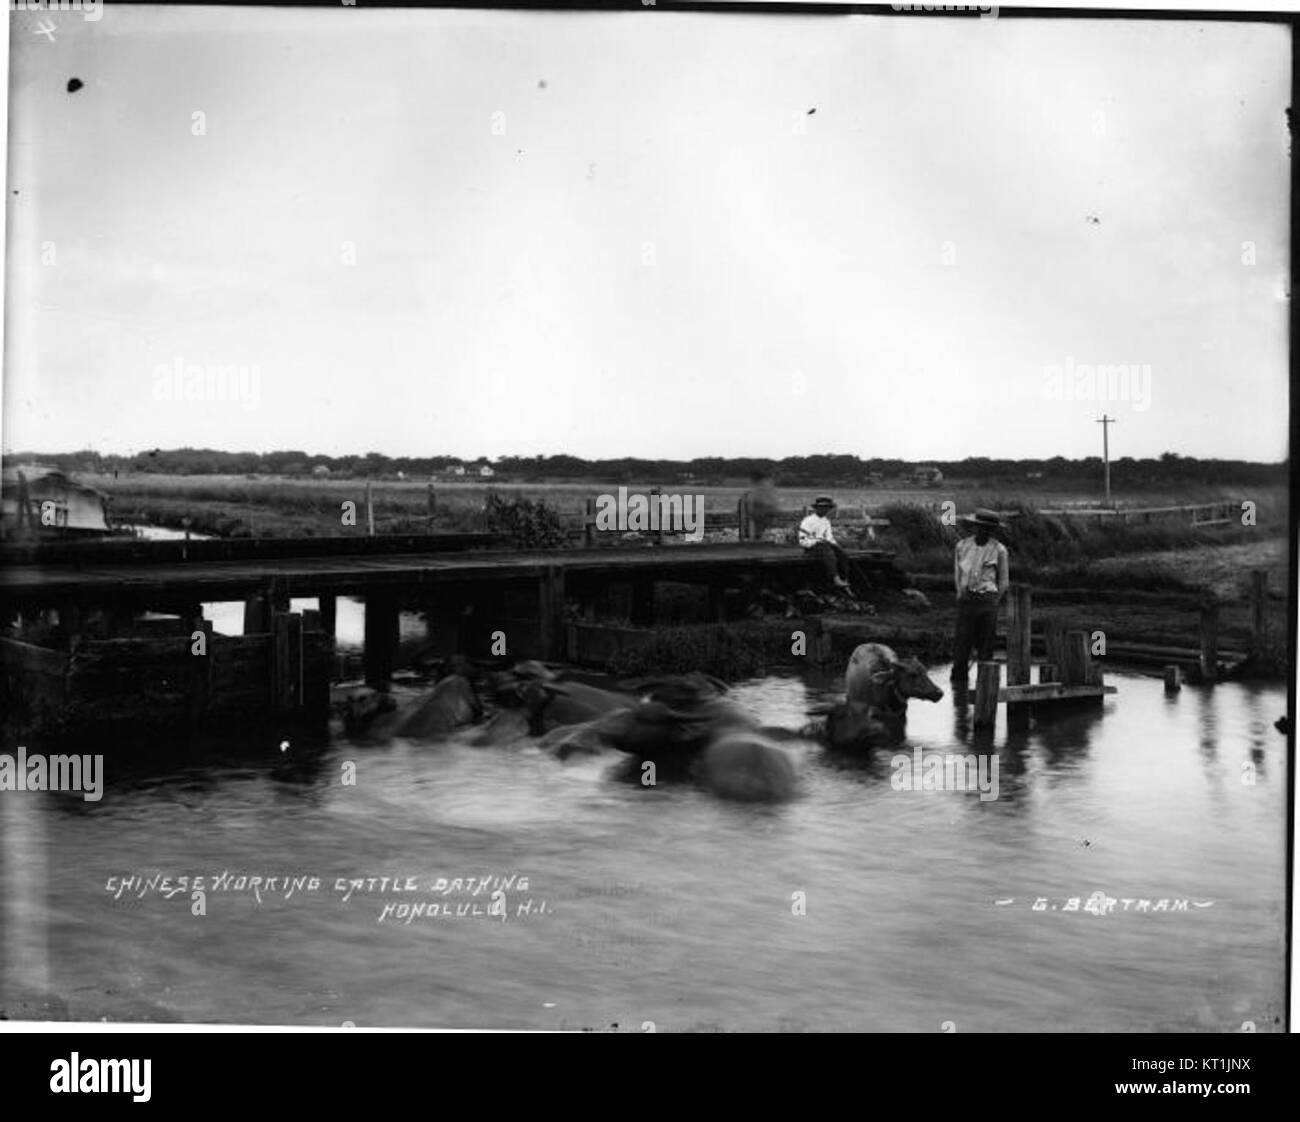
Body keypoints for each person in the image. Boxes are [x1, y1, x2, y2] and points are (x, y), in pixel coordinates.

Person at [951, 509, 1010, 684]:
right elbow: (958, 574)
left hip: (987, 600)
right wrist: (960, 594)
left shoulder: (999, 550)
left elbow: (1004, 581)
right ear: (974, 527)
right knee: (961, 646)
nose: (983, 531)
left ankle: (985, 685)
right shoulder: (962, 546)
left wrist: (993, 601)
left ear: (992, 531)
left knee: (986, 647)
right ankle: (958, 688)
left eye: (987, 529)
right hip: (967, 600)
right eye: (980, 527)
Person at [798, 496, 870, 595]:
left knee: (843, 555)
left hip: (825, 545)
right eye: (822, 508)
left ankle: (845, 579)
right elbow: (802, 539)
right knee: (829, 553)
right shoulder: (808, 521)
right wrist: (815, 542)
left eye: (827, 508)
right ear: (817, 508)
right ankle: (835, 577)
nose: (825, 510)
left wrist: (837, 547)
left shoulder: (826, 521)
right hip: (812, 547)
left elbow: (830, 538)